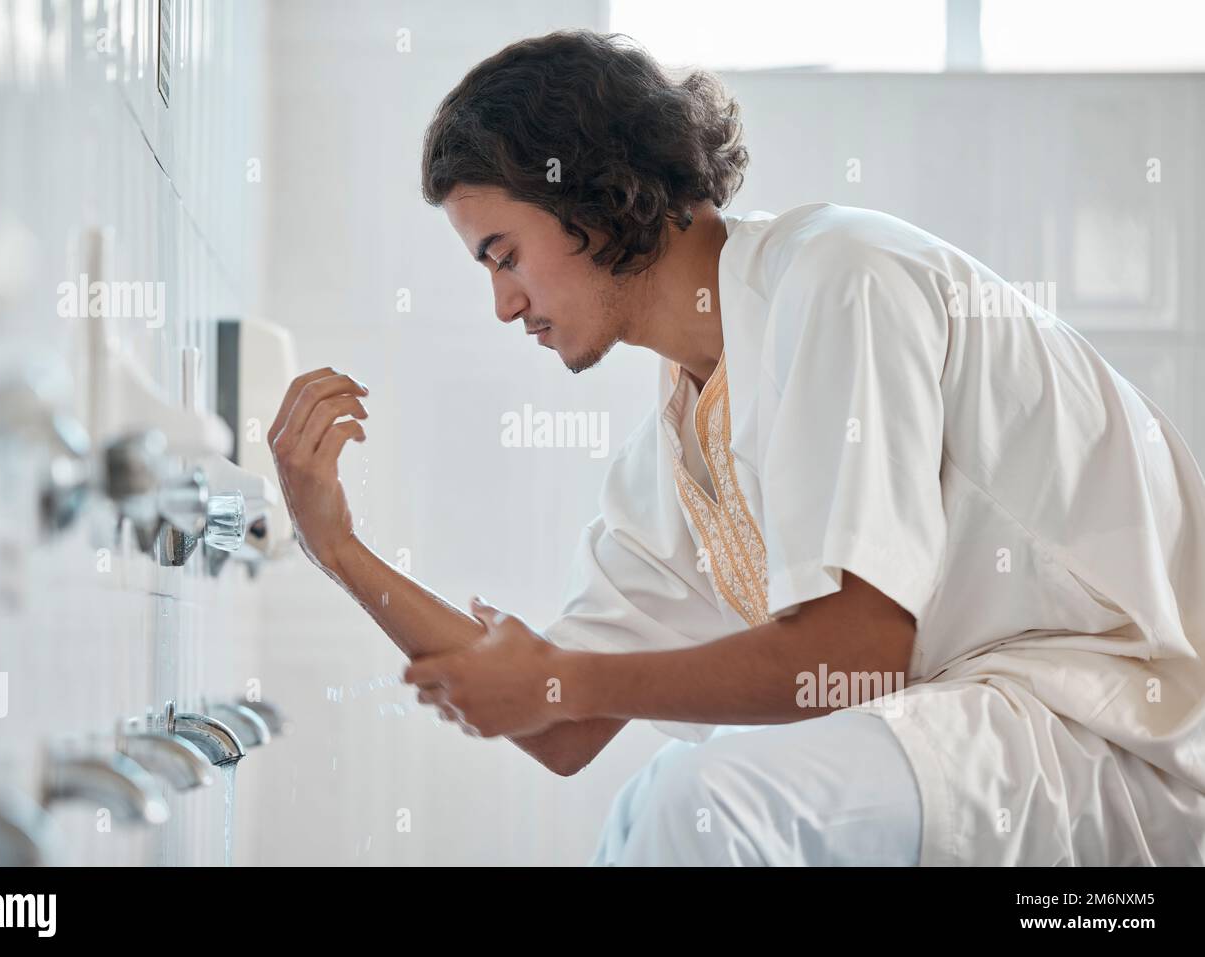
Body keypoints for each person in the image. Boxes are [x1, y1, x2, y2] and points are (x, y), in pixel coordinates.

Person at [268, 30, 1205, 865]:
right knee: (674, 798)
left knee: (702, 802)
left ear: (592, 190)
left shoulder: (839, 278)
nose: (505, 305)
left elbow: (861, 650)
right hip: (970, 735)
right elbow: (562, 726)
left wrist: (559, 680)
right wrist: (338, 549)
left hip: (1110, 736)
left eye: (504, 254)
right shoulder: (676, 450)